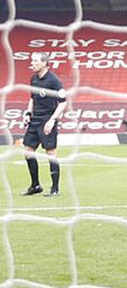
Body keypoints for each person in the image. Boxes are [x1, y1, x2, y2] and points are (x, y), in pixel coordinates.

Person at [21, 52, 68, 197]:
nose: (32, 63)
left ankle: (55, 189)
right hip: (35, 120)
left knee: (51, 154)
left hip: (47, 120)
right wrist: (28, 113)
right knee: (28, 151)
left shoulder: (54, 81)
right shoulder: (34, 78)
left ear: (44, 63)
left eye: (35, 61)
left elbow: (63, 102)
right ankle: (35, 185)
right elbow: (33, 98)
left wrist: (52, 119)